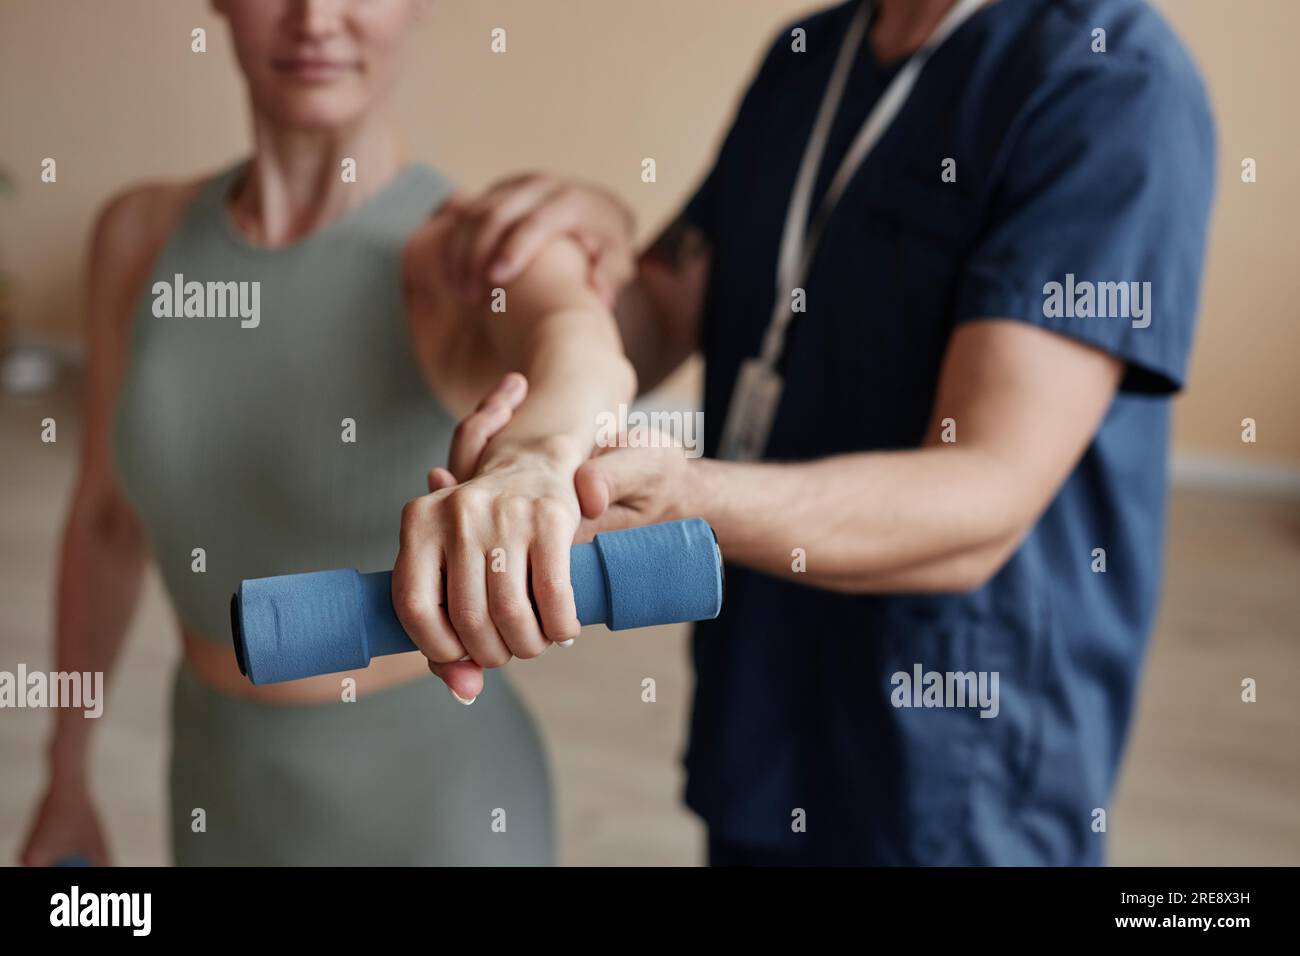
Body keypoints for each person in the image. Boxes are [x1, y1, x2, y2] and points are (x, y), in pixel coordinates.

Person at [438, 0, 1217, 864]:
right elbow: (661, 306)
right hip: (766, 708)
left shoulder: (1108, 81)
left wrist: (684, 493)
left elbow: (986, 493)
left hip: (954, 757)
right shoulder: (808, 56)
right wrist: (574, 249)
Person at [20, 0, 634, 866]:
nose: (315, 19)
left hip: (438, 809)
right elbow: (105, 524)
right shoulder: (137, 236)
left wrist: (538, 456)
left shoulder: (470, 248)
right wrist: (66, 773)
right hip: (215, 784)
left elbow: (585, 351)